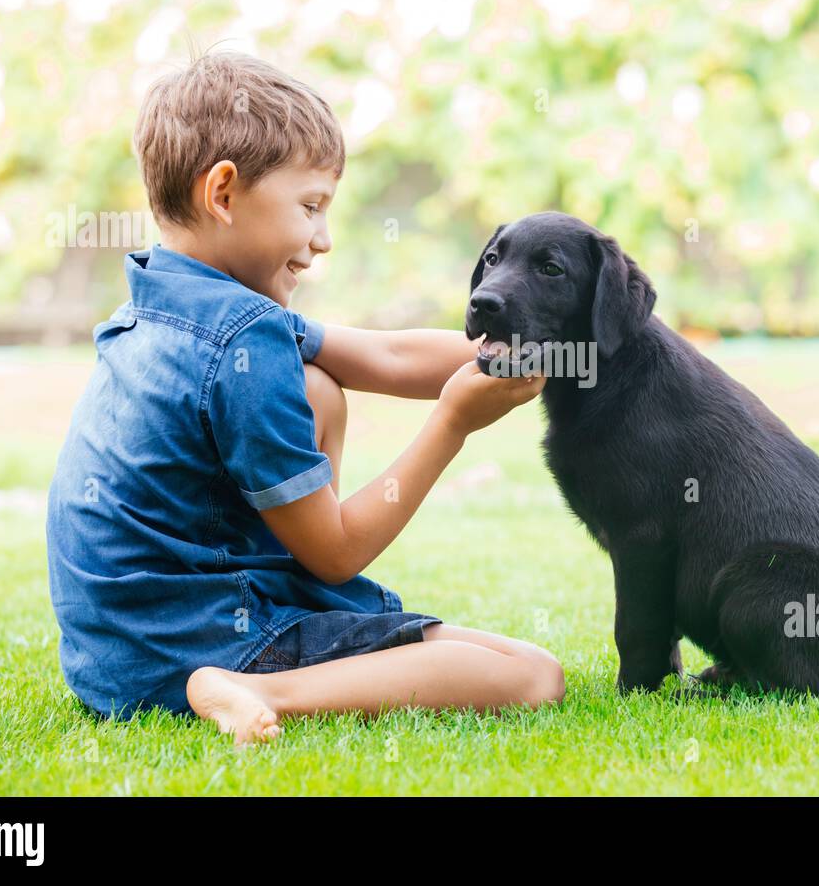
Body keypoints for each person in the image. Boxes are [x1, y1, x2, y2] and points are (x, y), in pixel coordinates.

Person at [46, 51, 561, 746]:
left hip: (118, 658)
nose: (323, 240)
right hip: (195, 648)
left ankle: (270, 664)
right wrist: (453, 423)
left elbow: (387, 356)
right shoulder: (243, 344)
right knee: (531, 677)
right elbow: (338, 556)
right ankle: (262, 690)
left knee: (320, 385)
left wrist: (551, 352)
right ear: (223, 193)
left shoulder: (167, 303)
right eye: (311, 206)